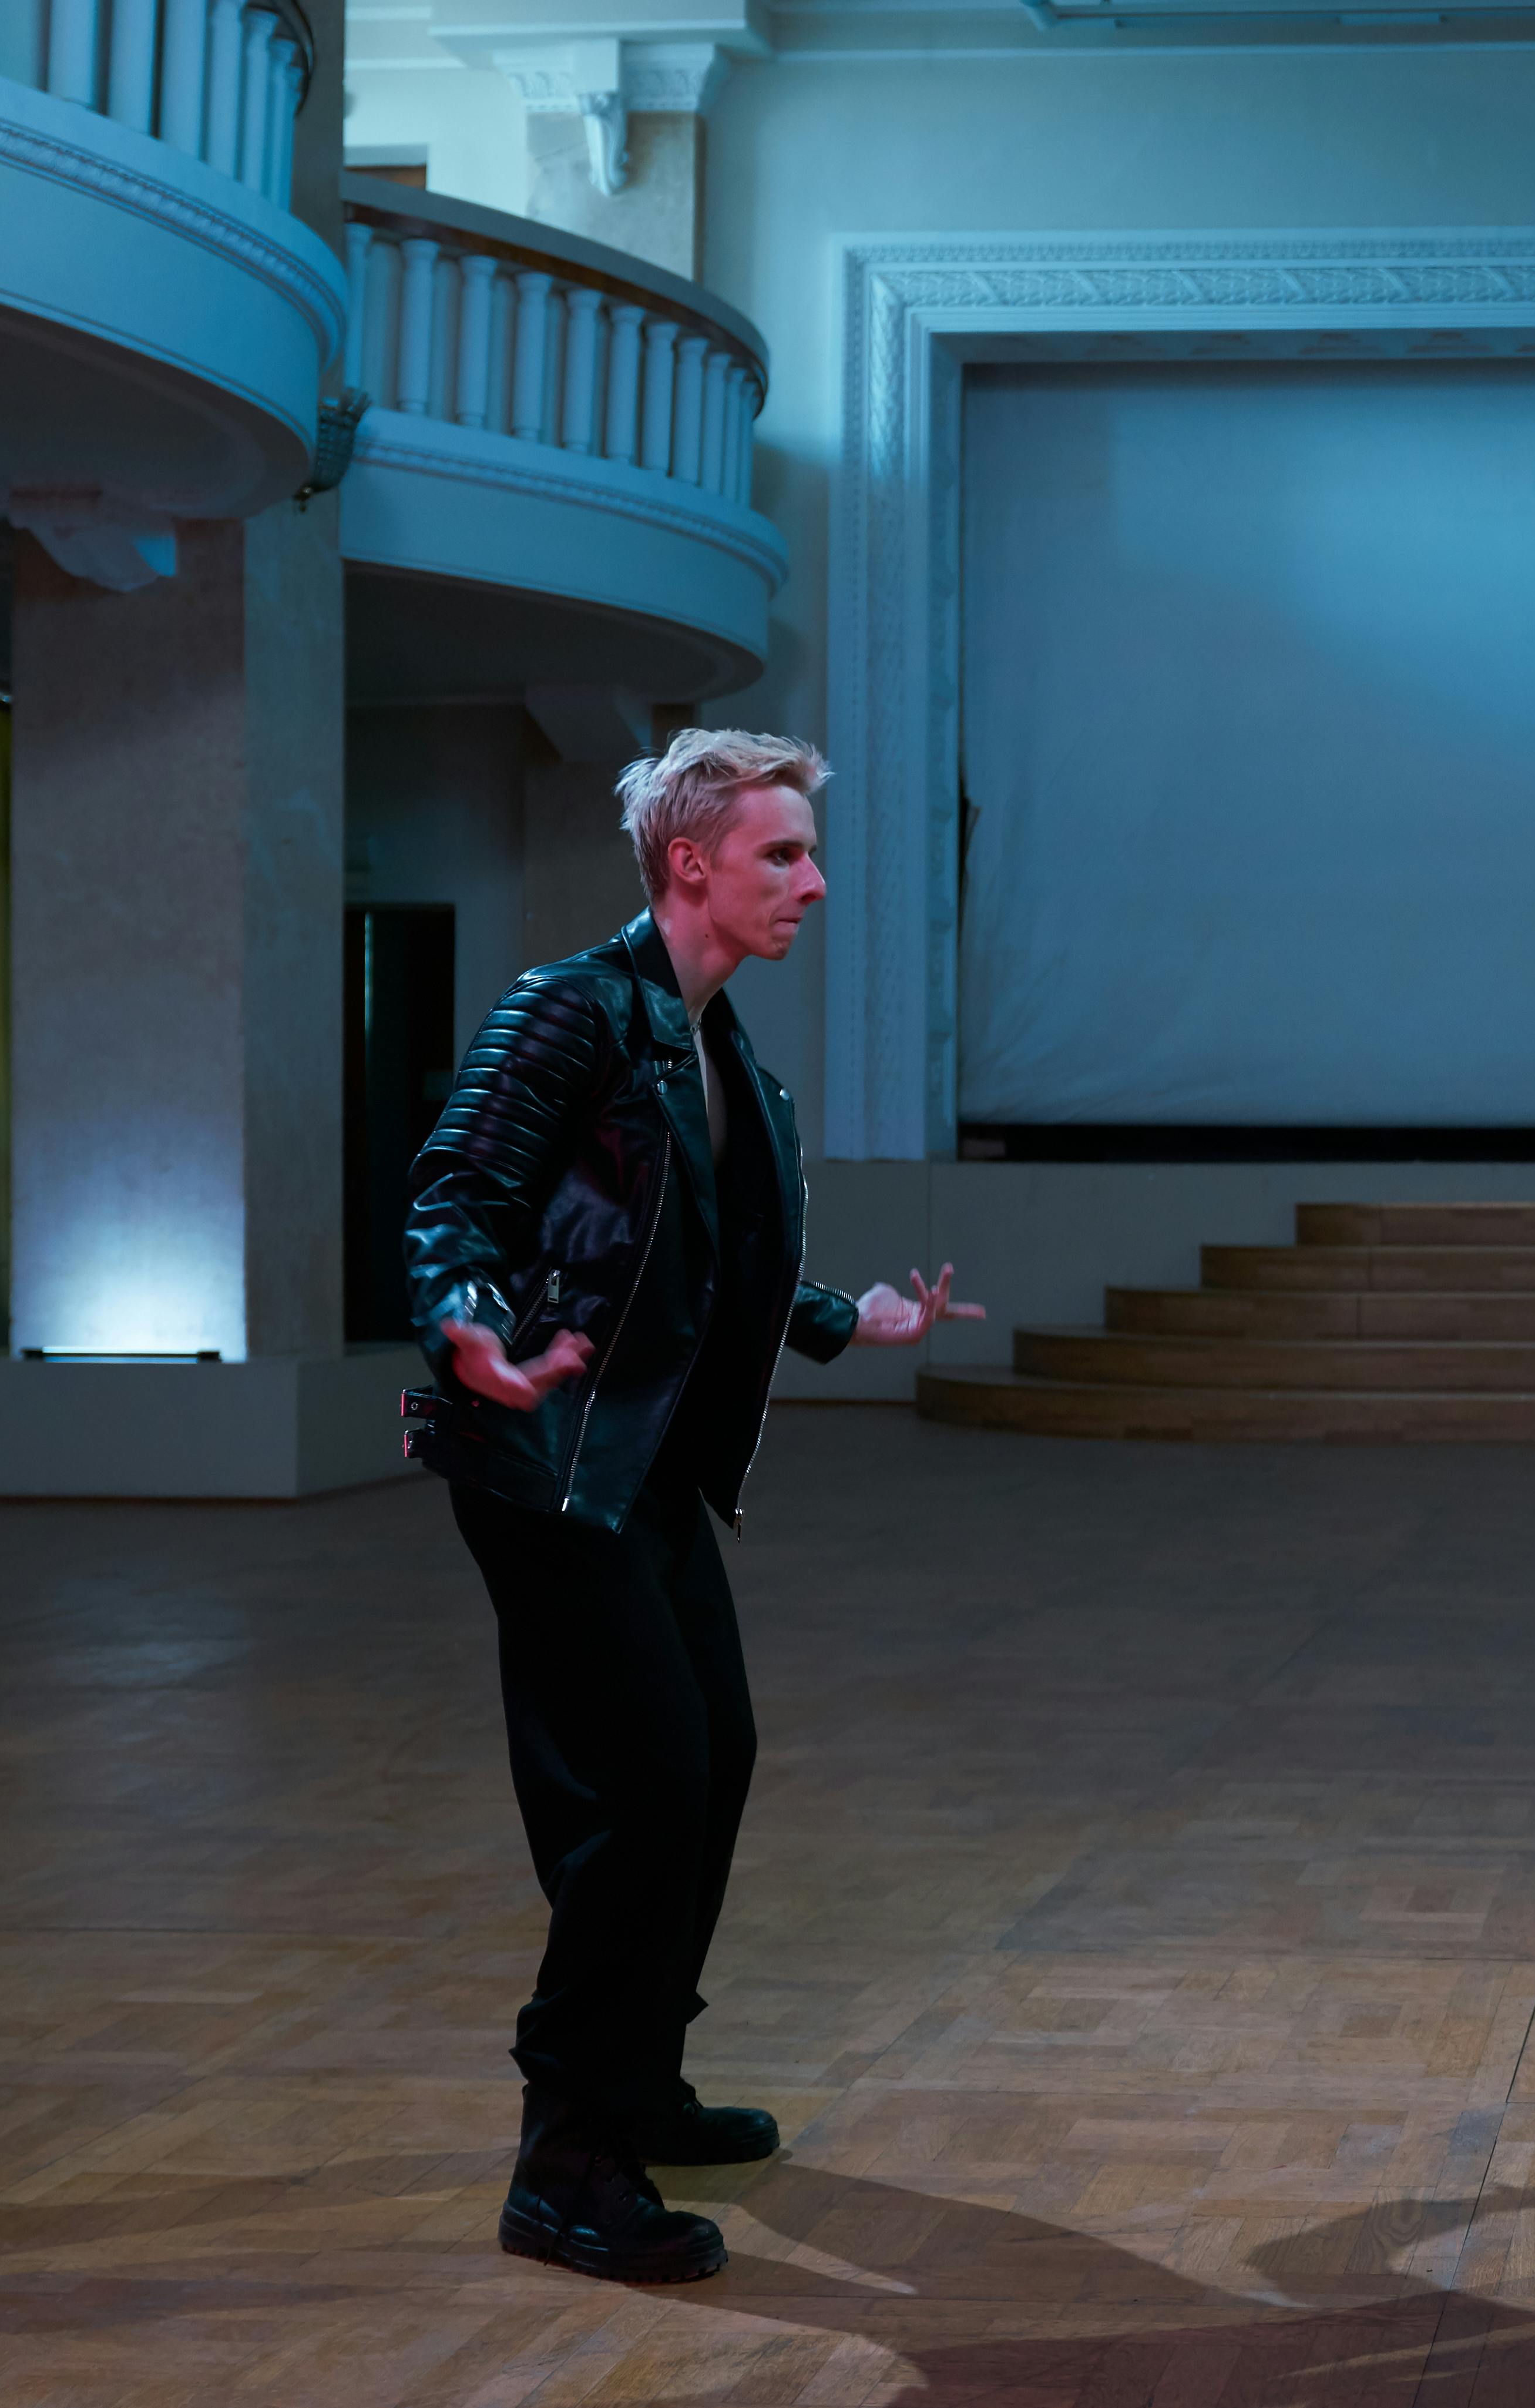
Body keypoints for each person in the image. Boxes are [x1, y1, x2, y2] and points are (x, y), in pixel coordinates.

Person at [402, 729, 984, 2285]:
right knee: (646, 1784)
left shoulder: (720, 1049)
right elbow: (456, 1193)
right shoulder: (573, 1009)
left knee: (711, 1756)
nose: (812, 882)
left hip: (640, 1463)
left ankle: (640, 2077)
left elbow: (708, 1255)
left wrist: (846, 1319)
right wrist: (468, 1324)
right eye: (783, 854)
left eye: (808, 852)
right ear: (690, 863)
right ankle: (565, 2154)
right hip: (544, 1455)